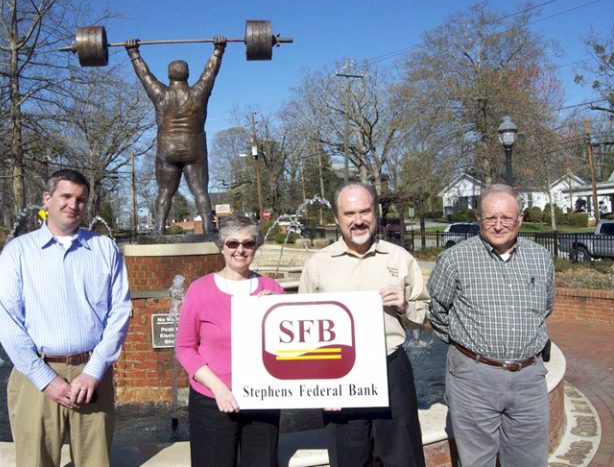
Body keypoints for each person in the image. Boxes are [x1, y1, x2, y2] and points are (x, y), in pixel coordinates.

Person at [0, 169, 132, 467]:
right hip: (36, 375)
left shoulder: (103, 247)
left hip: (92, 374)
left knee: (96, 462)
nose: (73, 205)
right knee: (35, 462)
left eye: (81, 199)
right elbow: (7, 322)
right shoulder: (18, 252)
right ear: (47, 199)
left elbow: (120, 311)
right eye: (66, 196)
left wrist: (94, 370)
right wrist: (46, 379)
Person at [299, 182, 428, 467]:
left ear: (376, 213)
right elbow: (304, 328)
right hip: (338, 373)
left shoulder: (399, 258)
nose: (358, 220)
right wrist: (319, 385)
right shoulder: (317, 264)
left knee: (403, 456)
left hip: (390, 366)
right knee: (349, 459)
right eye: (349, 213)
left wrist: (406, 305)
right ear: (336, 218)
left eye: (365, 211)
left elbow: (426, 314)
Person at [428, 184, 555, 467]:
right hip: (474, 377)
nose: (498, 225)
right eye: (490, 218)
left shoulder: (540, 257)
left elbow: (545, 307)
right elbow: (437, 311)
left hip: (528, 378)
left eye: (506, 218)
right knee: (476, 462)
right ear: (479, 219)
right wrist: (469, 346)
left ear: (520, 218)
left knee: (530, 461)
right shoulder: (455, 259)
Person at [175, 213, 284, 466]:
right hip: (213, 399)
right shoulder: (200, 290)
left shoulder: (272, 289)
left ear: (256, 247)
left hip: (262, 398)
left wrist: (275, 312)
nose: (240, 250)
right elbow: (185, 348)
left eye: (248, 243)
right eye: (232, 243)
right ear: (221, 246)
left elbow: (288, 350)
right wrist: (218, 387)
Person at [125, 36, 226, 235]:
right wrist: (218, 50)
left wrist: (133, 54)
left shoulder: (161, 94)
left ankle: (158, 230)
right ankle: (208, 229)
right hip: (193, 148)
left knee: (164, 192)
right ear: (188, 74)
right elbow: (210, 72)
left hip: (168, 149)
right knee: (200, 192)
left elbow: (145, 76)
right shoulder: (199, 92)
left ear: (169, 75)